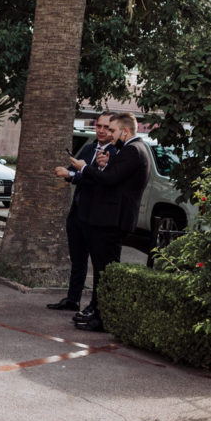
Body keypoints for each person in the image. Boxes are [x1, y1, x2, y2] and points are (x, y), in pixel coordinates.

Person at [67, 112, 149, 332]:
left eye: (112, 130)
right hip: (108, 220)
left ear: (125, 131)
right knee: (103, 269)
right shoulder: (129, 150)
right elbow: (113, 176)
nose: (109, 135)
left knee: (105, 271)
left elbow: (110, 180)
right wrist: (103, 165)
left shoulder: (133, 150)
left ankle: (102, 318)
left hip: (113, 221)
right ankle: (97, 311)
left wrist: (85, 167)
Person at [50, 111, 117, 318]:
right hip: (78, 212)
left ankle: (95, 307)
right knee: (77, 259)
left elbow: (94, 178)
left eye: (107, 127)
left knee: (98, 264)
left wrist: (72, 174)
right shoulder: (89, 148)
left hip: (97, 216)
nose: (102, 131)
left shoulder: (115, 153)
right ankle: (73, 299)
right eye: (99, 126)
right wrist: (68, 171)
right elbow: (76, 170)